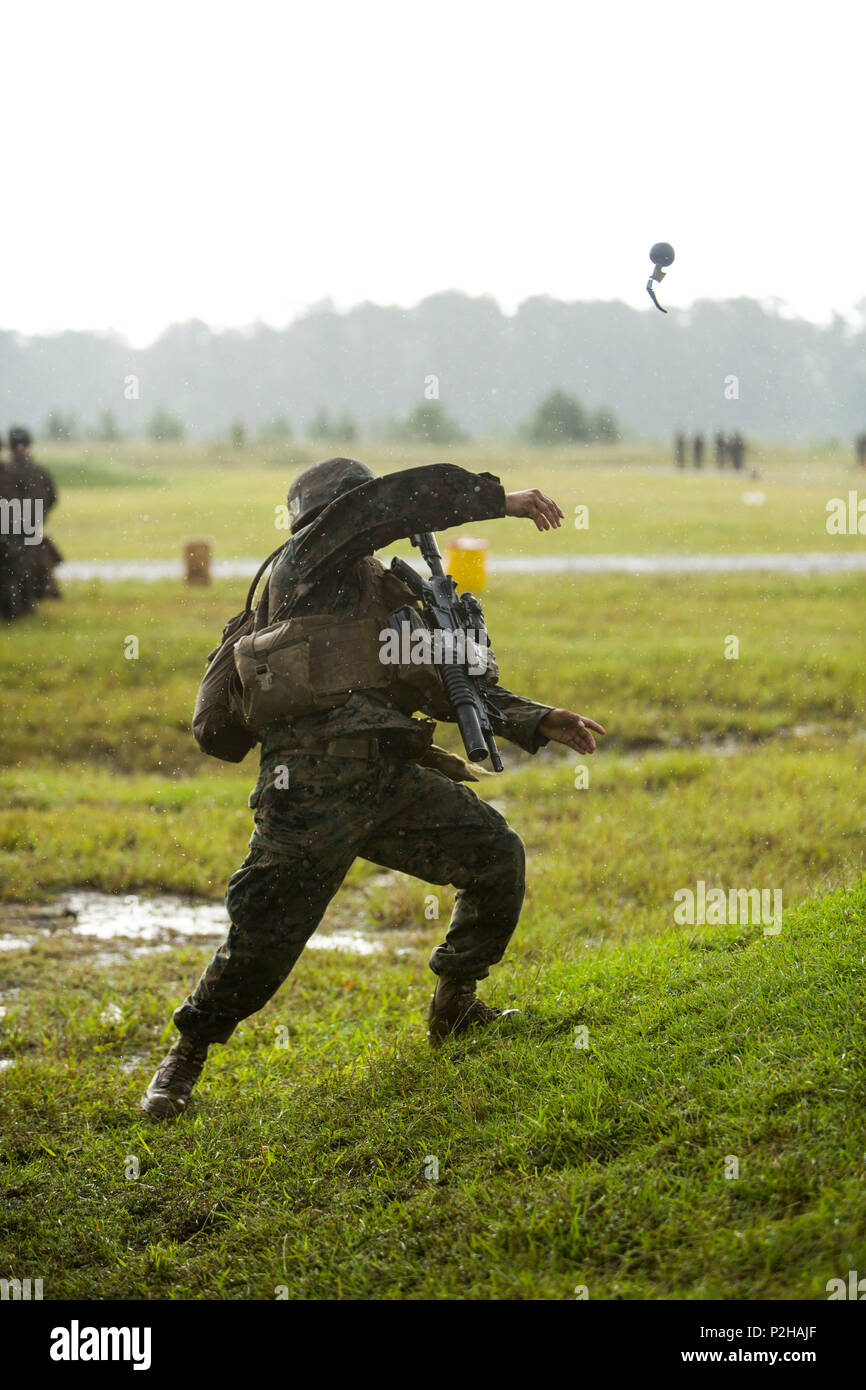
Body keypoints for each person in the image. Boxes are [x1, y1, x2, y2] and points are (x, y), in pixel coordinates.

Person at [141, 458, 606, 1117]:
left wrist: (538, 718)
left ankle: (455, 1006)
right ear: (329, 514)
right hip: (308, 791)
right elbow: (382, 506)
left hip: (388, 778)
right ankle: (183, 1059)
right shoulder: (305, 565)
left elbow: (441, 682)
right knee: (262, 942)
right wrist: (496, 500)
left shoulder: (387, 591)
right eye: (353, 509)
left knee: (496, 857)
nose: (367, 521)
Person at [8, 426, 62, 600]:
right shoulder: (40, 472)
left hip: (9, 527)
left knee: (12, 564)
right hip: (33, 524)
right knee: (35, 558)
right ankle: (43, 590)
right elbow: (52, 498)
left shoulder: (6, 471)